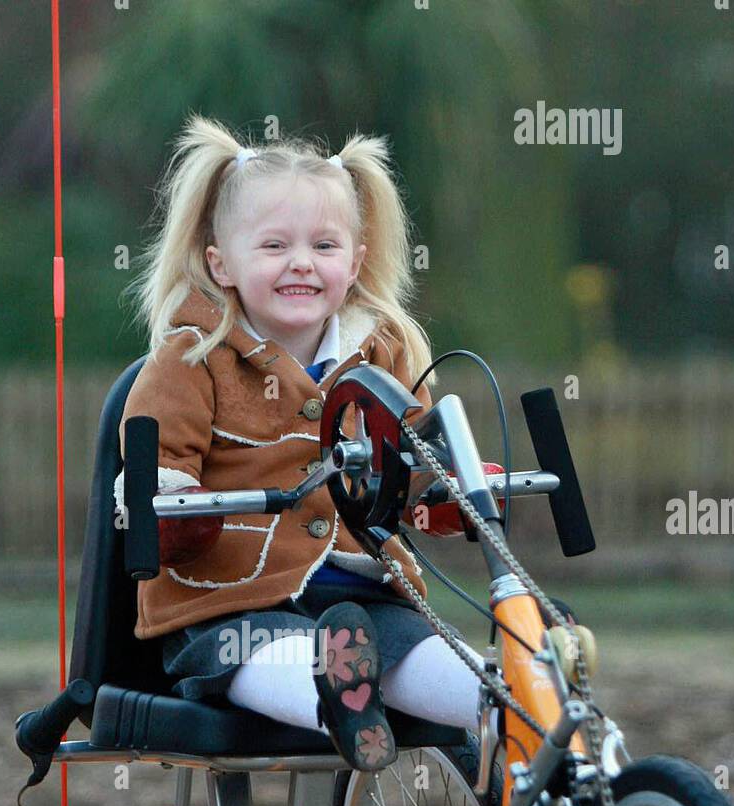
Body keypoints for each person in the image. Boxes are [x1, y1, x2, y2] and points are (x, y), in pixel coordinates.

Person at [114, 115, 484, 772]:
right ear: (218, 262)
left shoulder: (384, 355)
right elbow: (157, 472)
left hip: (373, 597)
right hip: (230, 604)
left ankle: (520, 718)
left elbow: (415, 476)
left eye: (323, 245)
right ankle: (334, 697)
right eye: (274, 245)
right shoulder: (189, 358)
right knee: (268, 654)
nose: (301, 264)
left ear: (355, 260)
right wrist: (175, 510)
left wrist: (453, 494)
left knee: (482, 689)